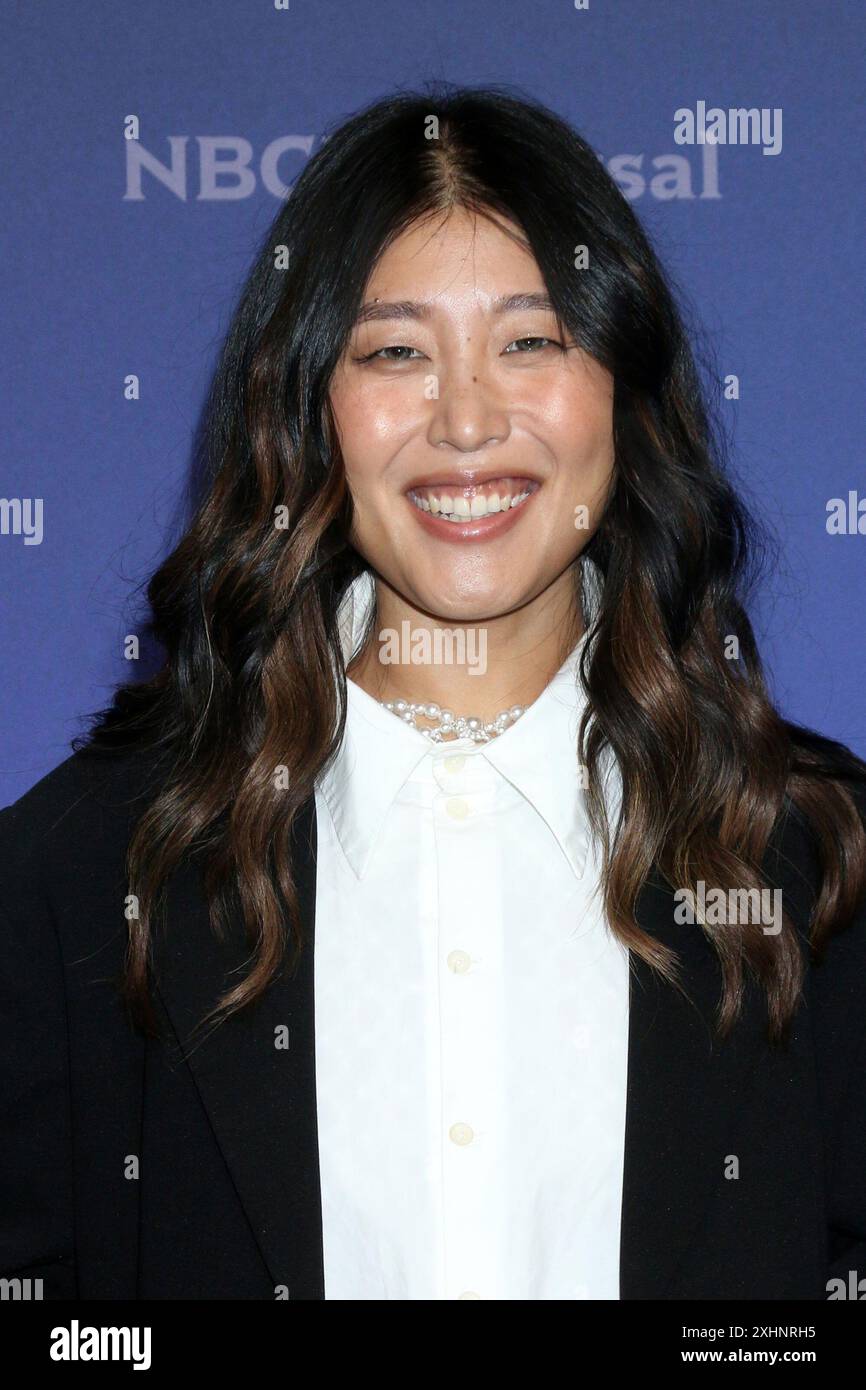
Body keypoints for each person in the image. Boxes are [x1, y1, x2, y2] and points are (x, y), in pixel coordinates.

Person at [1, 83, 865, 1302]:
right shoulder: (87, 874)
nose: (465, 419)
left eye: (530, 340)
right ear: (309, 407)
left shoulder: (820, 864)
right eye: (396, 352)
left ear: (618, 387)